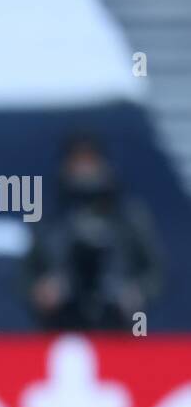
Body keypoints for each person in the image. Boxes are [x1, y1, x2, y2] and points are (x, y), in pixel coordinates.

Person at [25, 135, 162, 330]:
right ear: (65, 166)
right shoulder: (48, 218)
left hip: (119, 321)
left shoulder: (128, 216)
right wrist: (42, 290)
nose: (84, 170)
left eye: (89, 161)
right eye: (77, 162)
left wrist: (137, 292)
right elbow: (25, 276)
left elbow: (155, 271)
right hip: (60, 322)